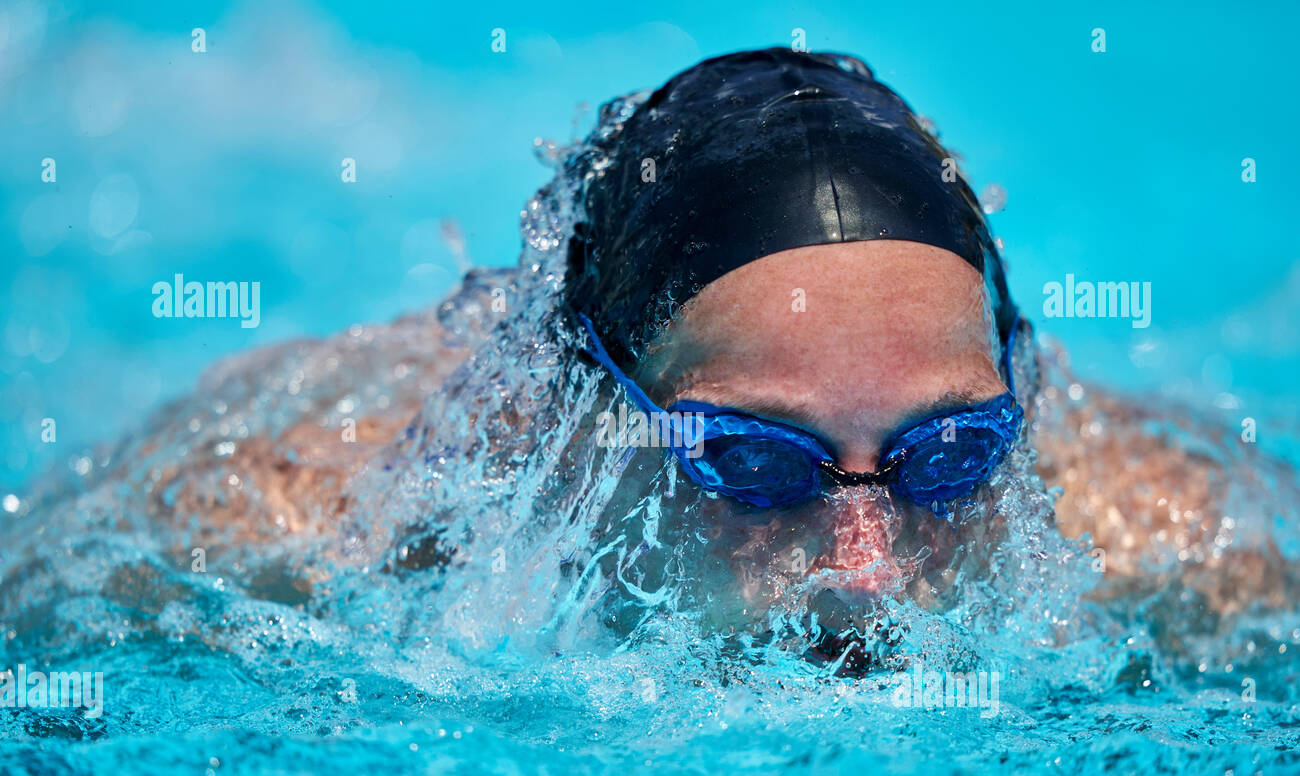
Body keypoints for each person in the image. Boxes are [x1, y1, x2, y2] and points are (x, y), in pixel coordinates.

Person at [110, 47, 1297, 669]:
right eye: (749, 459)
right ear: (578, 419)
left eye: (949, 454)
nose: (863, 573)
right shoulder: (286, 524)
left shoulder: (1179, 537)